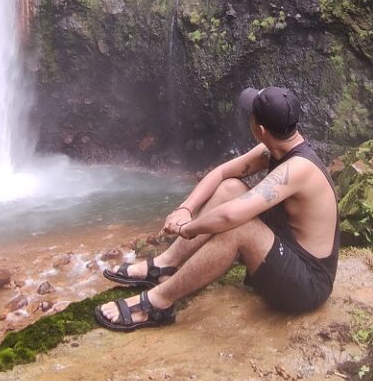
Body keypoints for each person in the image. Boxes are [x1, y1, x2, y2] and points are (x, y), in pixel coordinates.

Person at [96, 85, 340, 332]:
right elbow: (223, 172)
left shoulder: (299, 168)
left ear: (260, 129)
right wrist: (186, 208)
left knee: (239, 227)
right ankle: (164, 264)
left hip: (308, 285)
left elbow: (230, 216)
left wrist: (188, 228)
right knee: (230, 188)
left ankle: (159, 301)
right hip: (286, 252)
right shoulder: (275, 148)